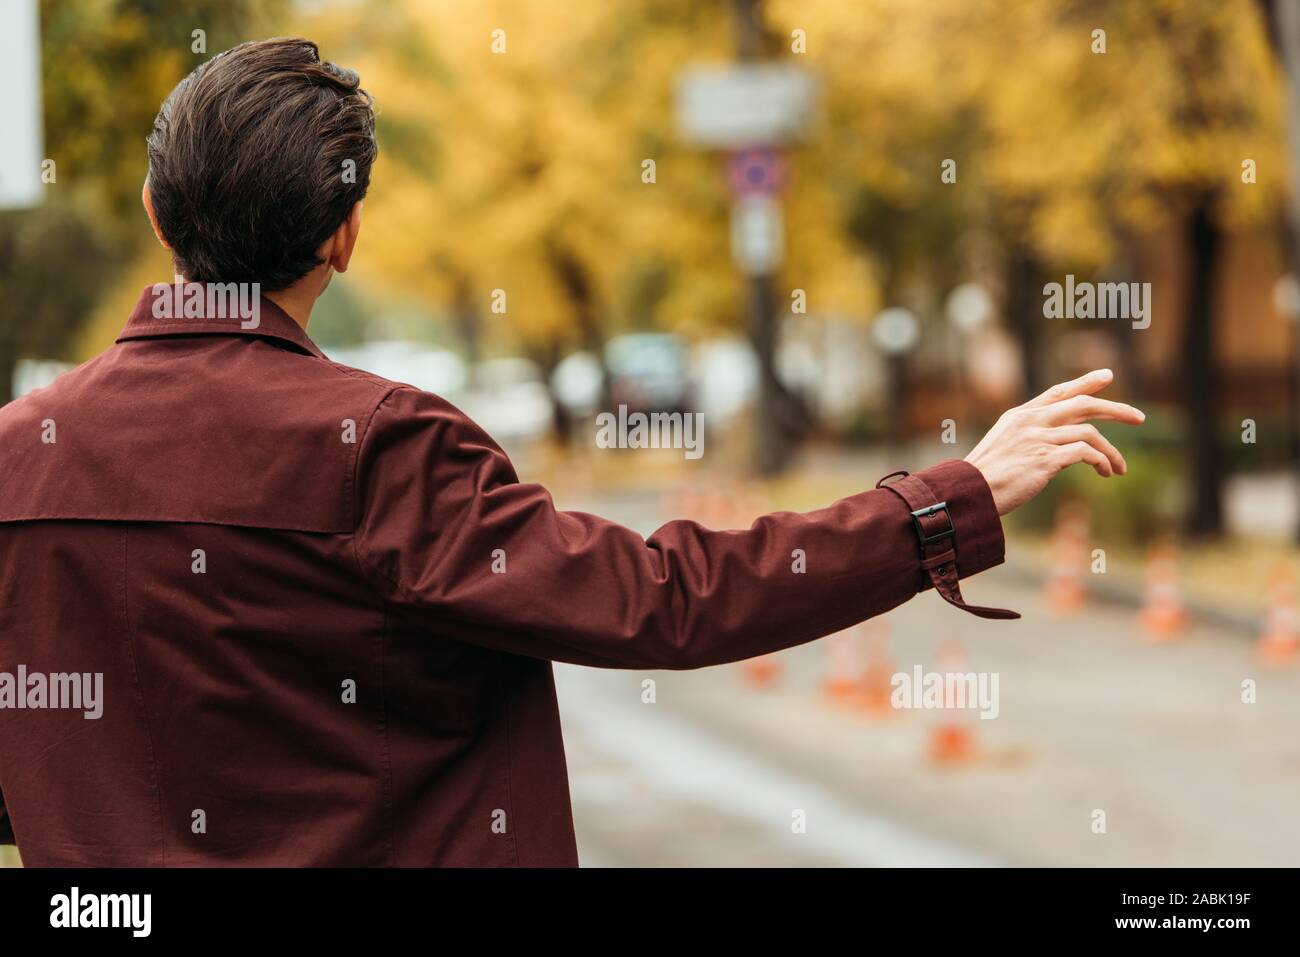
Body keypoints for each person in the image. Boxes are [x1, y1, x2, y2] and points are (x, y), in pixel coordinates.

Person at [0, 38, 1142, 866]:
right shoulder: (382, 447)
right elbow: (665, 601)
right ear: (344, 235)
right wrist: (947, 500)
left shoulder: (19, 456)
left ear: (157, 211)